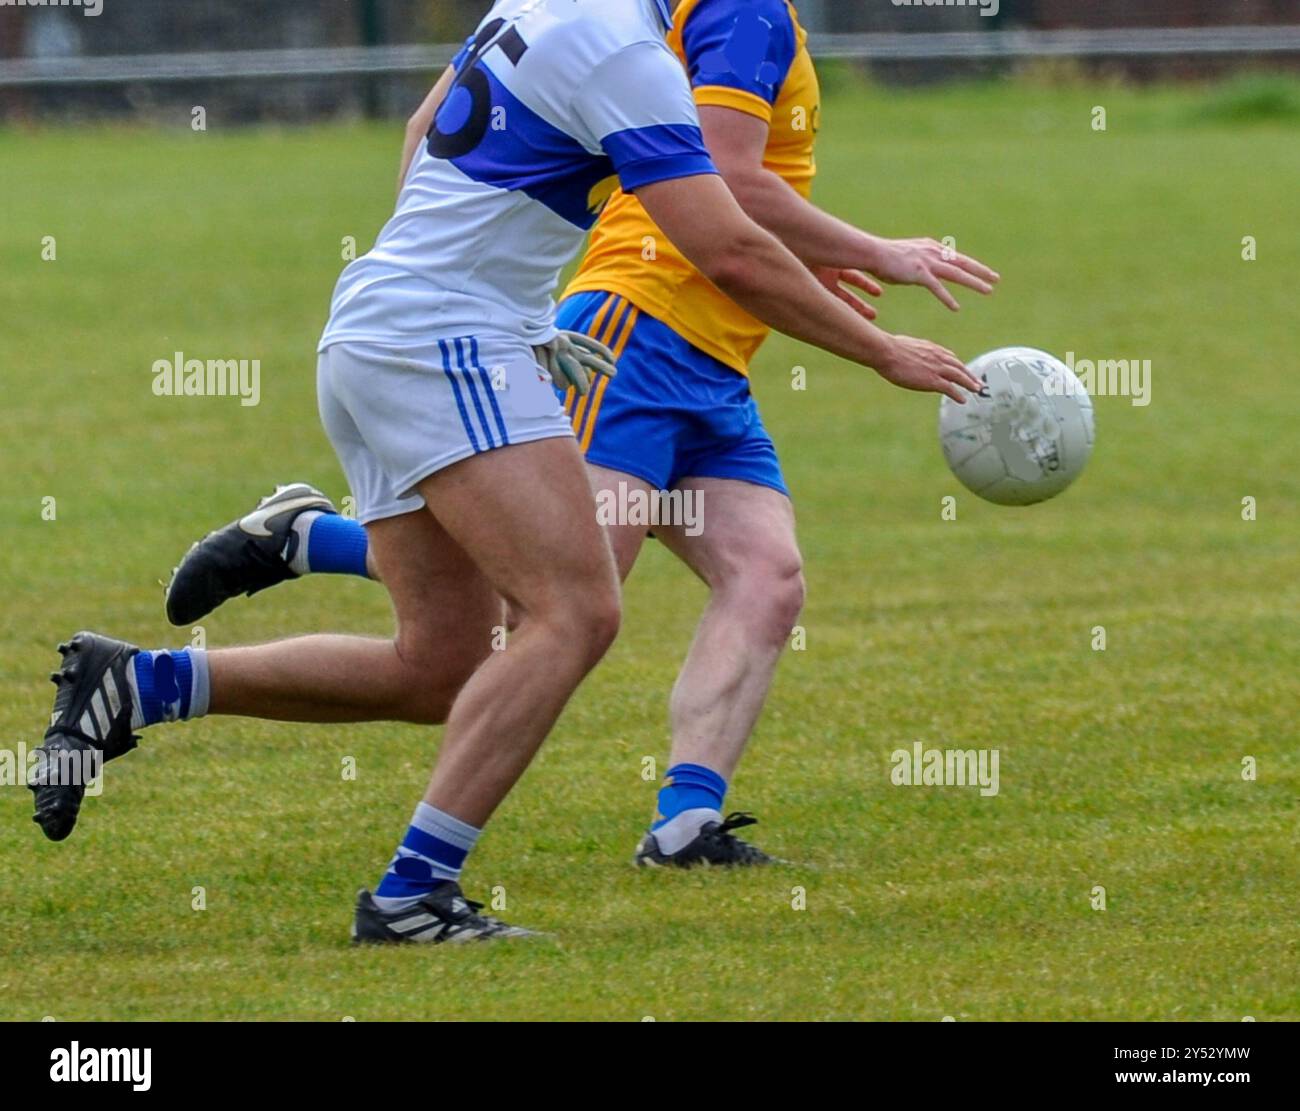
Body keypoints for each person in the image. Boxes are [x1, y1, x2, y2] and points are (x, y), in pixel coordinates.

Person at [33, 0, 982, 944]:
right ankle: (412, 895)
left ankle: (139, 683)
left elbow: (421, 135)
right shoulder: (631, 52)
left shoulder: (546, 7)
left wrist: (504, 311)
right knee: (576, 610)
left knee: (443, 662)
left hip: (378, 329)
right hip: (447, 344)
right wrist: (881, 351)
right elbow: (727, 245)